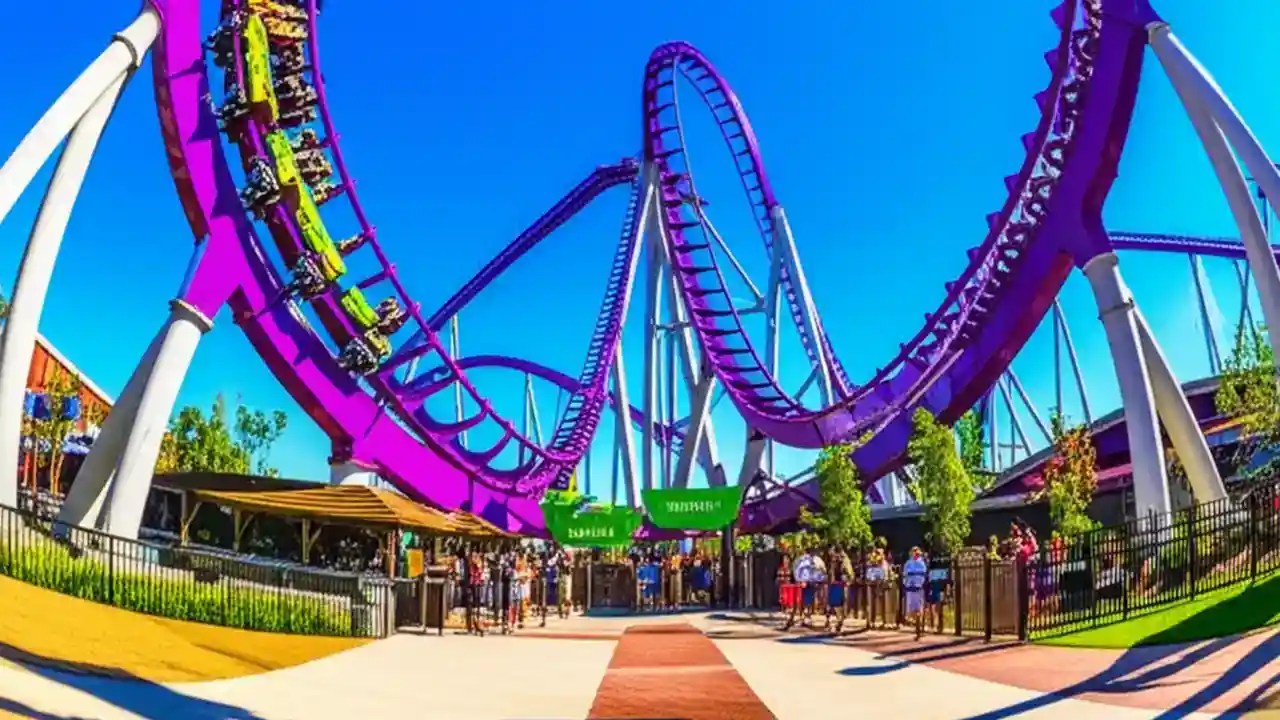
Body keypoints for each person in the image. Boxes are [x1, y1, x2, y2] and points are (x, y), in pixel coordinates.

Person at [902, 546, 928, 640]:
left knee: (919, 609)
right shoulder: (908, 563)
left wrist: (921, 583)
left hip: (918, 588)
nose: (916, 554)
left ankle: (919, 628)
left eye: (917, 553)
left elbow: (924, 574)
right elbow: (904, 574)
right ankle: (917, 623)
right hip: (910, 588)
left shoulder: (922, 563)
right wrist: (906, 583)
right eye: (914, 552)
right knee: (912, 610)